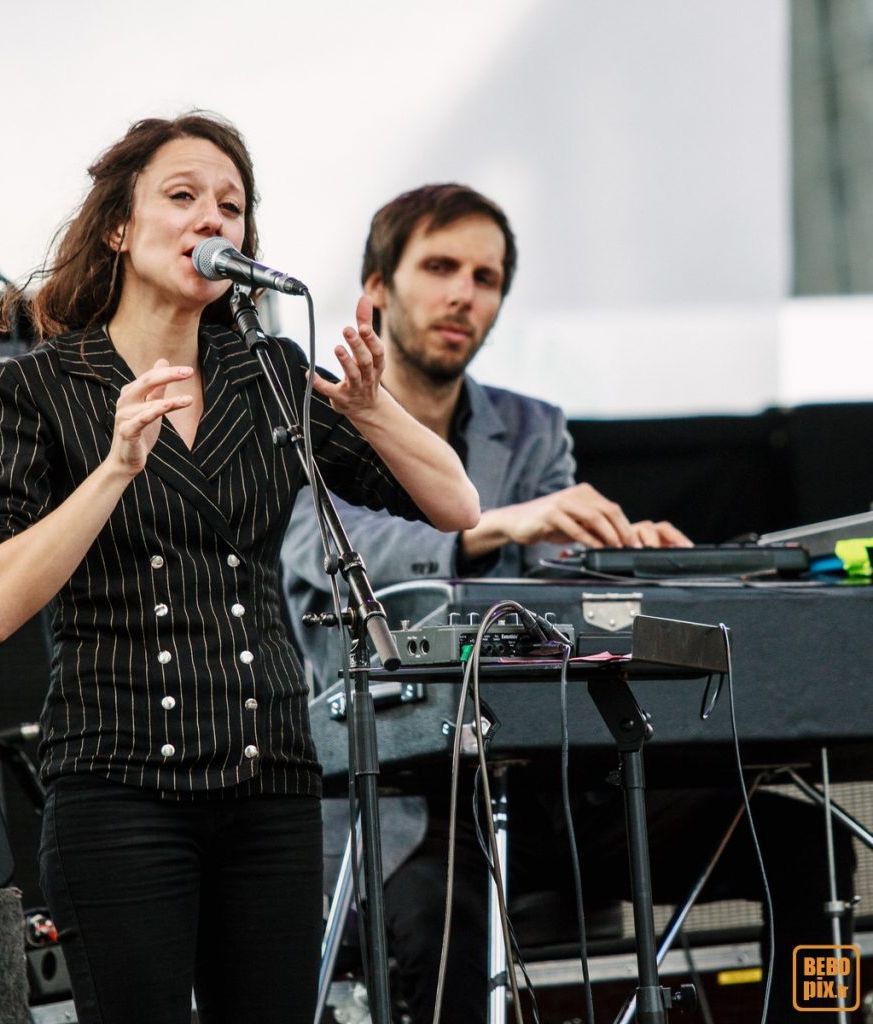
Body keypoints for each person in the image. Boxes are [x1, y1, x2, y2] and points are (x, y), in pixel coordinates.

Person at [281, 184, 856, 1023]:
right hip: (406, 802)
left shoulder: (532, 425)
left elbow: (560, 587)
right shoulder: (307, 417)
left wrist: (622, 565)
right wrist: (495, 523)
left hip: (558, 782)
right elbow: (324, 548)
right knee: (447, 919)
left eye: (487, 277)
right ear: (376, 289)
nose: (463, 294)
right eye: (439, 267)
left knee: (806, 844)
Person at [0, 116, 479, 1024]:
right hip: (119, 785)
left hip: (267, 779)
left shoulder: (268, 376)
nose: (213, 220)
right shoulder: (35, 390)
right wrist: (115, 467)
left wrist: (374, 409)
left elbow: (455, 506)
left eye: (232, 207)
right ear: (120, 226)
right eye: (184, 196)